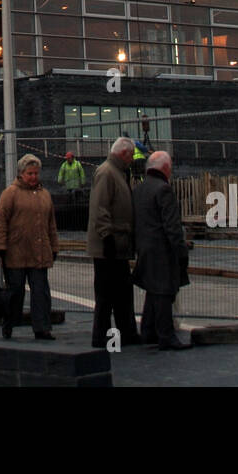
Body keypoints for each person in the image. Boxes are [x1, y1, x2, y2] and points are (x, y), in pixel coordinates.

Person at [0, 154, 59, 340]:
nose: (33, 177)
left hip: (39, 252)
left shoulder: (45, 195)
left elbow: (51, 224)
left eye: (36, 173)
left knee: (41, 293)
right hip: (16, 252)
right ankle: (9, 324)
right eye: (30, 173)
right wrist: (0, 246)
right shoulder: (10, 193)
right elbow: (0, 221)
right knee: (15, 292)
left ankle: (42, 327)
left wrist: (54, 246)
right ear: (21, 174)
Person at [132, 150, 191, 350]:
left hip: (145, 248)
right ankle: (166, 336)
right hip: (162, 251)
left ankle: (148, 331)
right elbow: (172, 226)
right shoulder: (164, 190)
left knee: (153, 290)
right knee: (164, 292)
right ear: (166, 168)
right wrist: (181, 251)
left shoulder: (139, 189)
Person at [87, 136, 142, 348]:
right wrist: (106, 236)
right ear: (124, 154)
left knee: (121, 293)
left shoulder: (117, 172)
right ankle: (102, 336)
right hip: (108, 246)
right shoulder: (107, 173)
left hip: (117, 245)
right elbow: (100, 207)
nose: (132, 160)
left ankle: (126, 333)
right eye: (131, 155)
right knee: (106, 295)